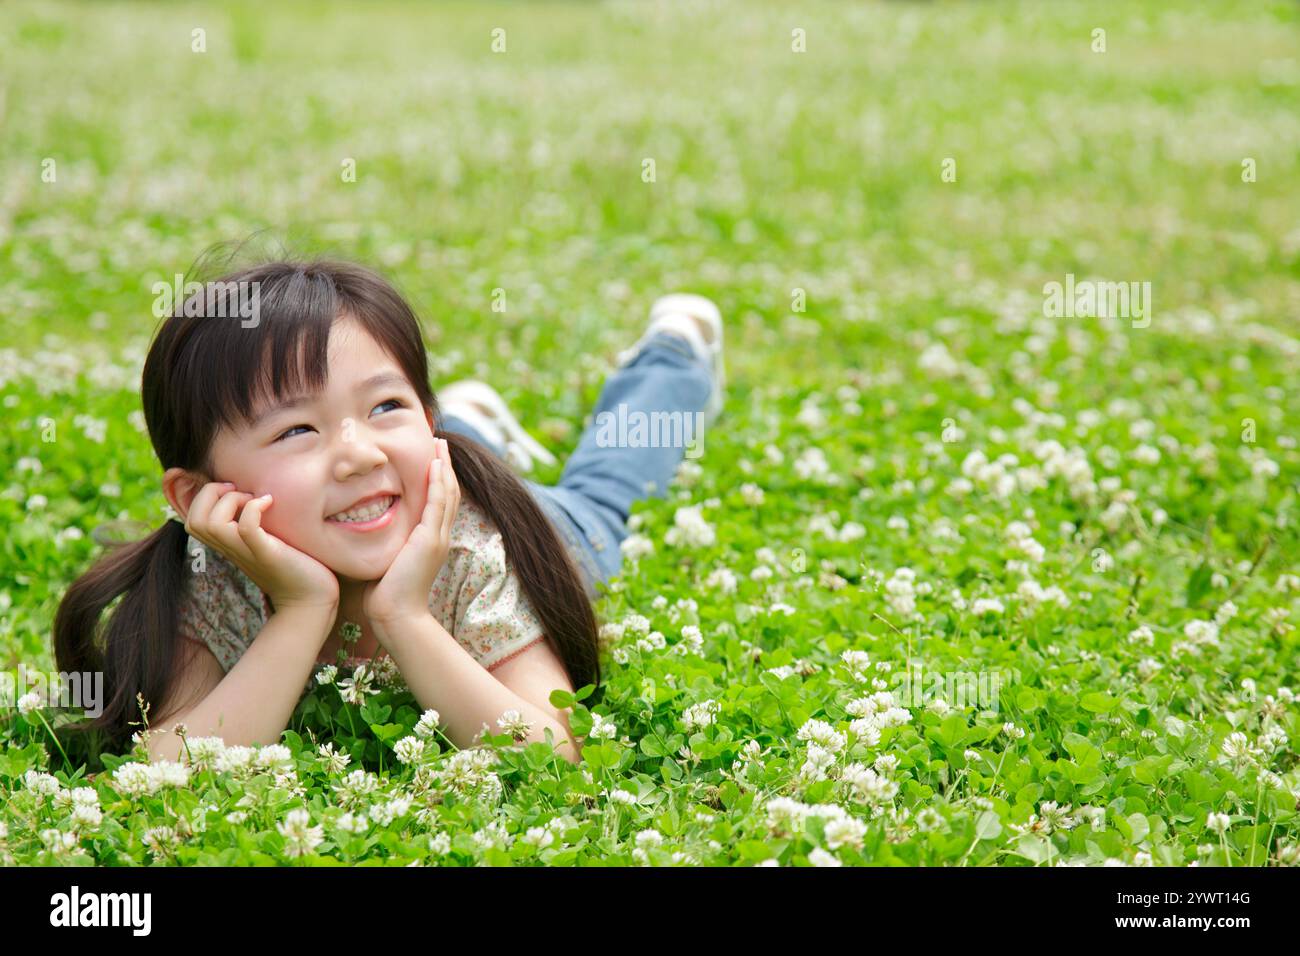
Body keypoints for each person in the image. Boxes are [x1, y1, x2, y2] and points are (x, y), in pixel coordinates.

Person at [51, 253, 724, 769]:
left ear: (427, 424)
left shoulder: (475, 551)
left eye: (386, 406)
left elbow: (550, 754)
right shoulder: (216, 571)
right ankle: (469, 418)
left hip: (535, 524)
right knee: (391, 466)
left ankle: (675, 355)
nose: (357, 453)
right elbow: (170, 769)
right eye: (296, 430)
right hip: (404, 491)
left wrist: (404, 615)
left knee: (603, 487)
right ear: (198, 496)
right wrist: (302, 610)